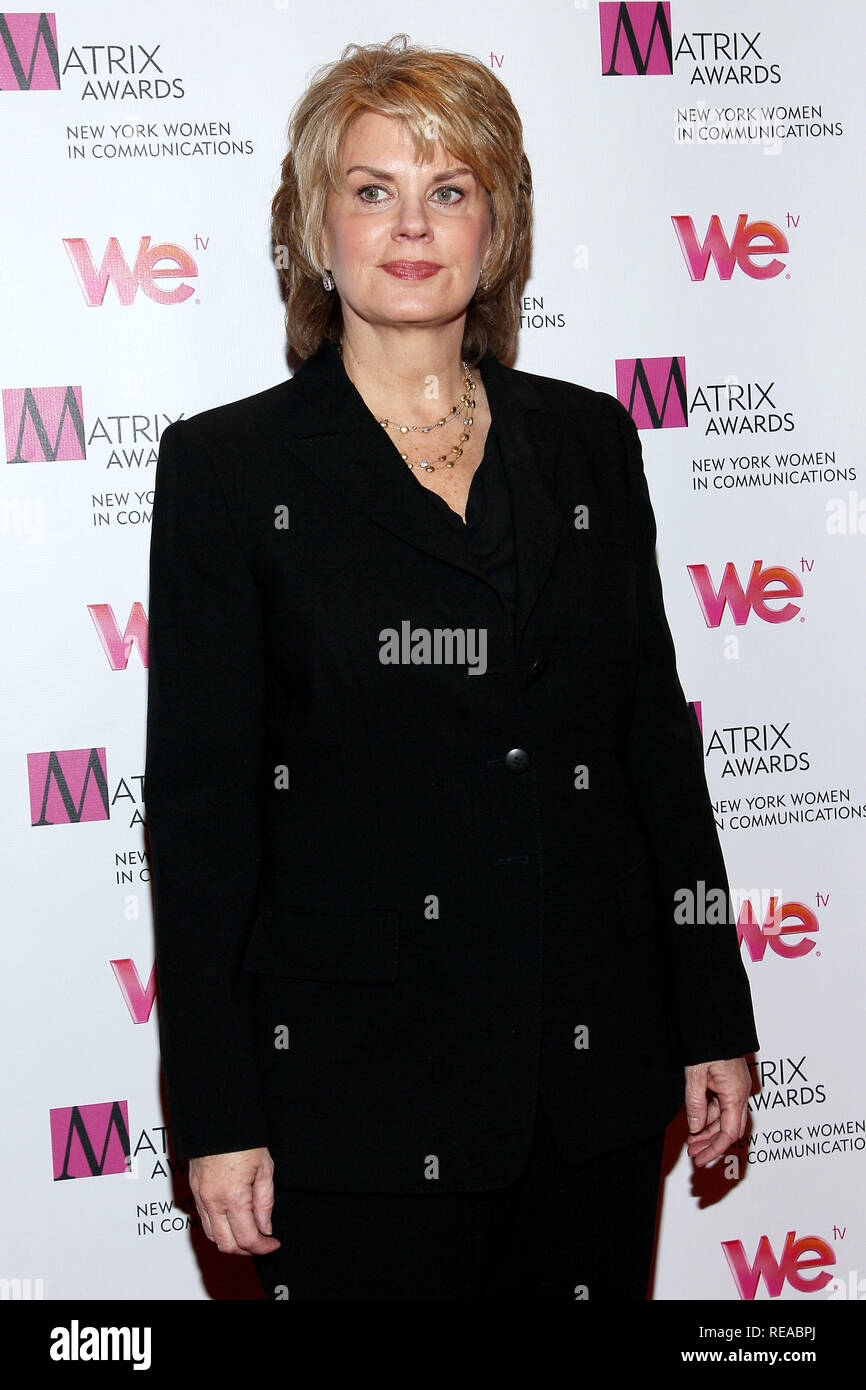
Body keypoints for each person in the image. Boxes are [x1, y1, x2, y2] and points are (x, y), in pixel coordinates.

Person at [144, 33, 759, 1301]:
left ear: (497, 228)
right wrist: (215, 1107)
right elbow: (203, 822)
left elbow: (652, 741)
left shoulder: (588, 444)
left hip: (585, 1079)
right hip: (354, 1094)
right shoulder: (229, 472)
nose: (409, 226)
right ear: (316, 229)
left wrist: (711, 1012)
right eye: (370, 189)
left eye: (449, 190)